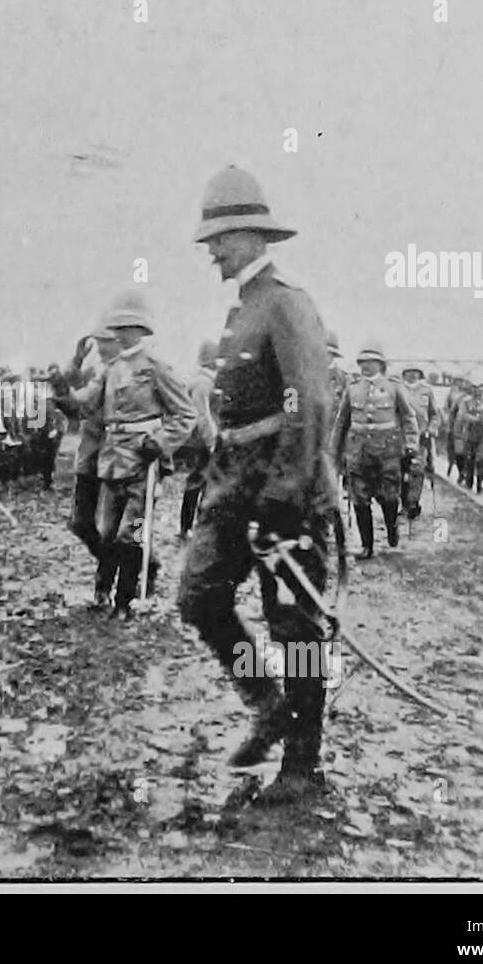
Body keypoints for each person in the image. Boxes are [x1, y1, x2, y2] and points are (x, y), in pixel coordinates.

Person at [176, 165, 337, 803]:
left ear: (247, 236)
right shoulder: (240, 309)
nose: (210, 250)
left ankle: (303, 763)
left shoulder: (286, 302)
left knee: (293, 626)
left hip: (282, 488)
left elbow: (311, 406)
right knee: (199, 598)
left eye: (217, 239)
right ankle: (267, 703)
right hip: (232, 485)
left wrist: (282, 495)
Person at [96, 290, 195, 620]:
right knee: (106, 532)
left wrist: (161, 440)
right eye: (118, 326)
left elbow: (185, 414)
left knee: (131, 534)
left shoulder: (156, 369)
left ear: (141, 330)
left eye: (127, 326)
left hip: (143, 463)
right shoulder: (112, 369)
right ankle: (102, 592)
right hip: (113, 461)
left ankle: (124, 602)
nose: (120, 332)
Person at [331, 342, 419, 558]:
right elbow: (341, 423)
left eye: (370, 362)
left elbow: (408, 418)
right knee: (359, 499)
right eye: (362, 362)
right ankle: (366, 546)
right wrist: (334, 451)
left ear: (380, 364)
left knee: (389, 497)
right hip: (358, 454)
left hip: (387, 454)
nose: (365, 366)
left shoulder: (393, 388)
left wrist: (411, 443)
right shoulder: (352, 390)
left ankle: (391, 527)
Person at [56, 326, 122, 607]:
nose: (102, 347)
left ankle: (103, 587)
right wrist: (76, 359)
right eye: (100, 342)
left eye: (108, 341)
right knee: (80, 523)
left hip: (115, 456)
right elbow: (75, 395)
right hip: (89, 454)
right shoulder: (97, 368)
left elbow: (80, 400)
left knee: (109, 528)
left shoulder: (124, 371)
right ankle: (124, 561)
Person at [180, 338, 220, 539]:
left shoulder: (200, 380)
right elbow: (202, 415)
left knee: (201, 480)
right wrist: (213, 442)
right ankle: (188, 527)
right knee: (199, 480)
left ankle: (191, 526)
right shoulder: (203, 383)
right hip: (201, 440)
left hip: (197, 439)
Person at [398, 364, 439, 519]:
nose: (412, 375)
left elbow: (434, 415)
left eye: (415, 372)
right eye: (408, 372)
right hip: (402, 438)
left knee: (417, 470)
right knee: (401, 471)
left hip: (421, 438)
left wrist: (431, 429)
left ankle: (413, 503)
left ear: (419, 374)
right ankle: (404, 503)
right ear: (404, 374)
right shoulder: (398, 389)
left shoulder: (427, 391)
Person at [454, 382, 483, 492]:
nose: (477, 390)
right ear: (472, 389)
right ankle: (469, 482)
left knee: (482, 459)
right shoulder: (466, 401)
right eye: (475, 387)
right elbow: (462, 414)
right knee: (470, 457)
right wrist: (475, 419)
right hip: (470, 433)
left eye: (480, 387)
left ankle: (480, 483)